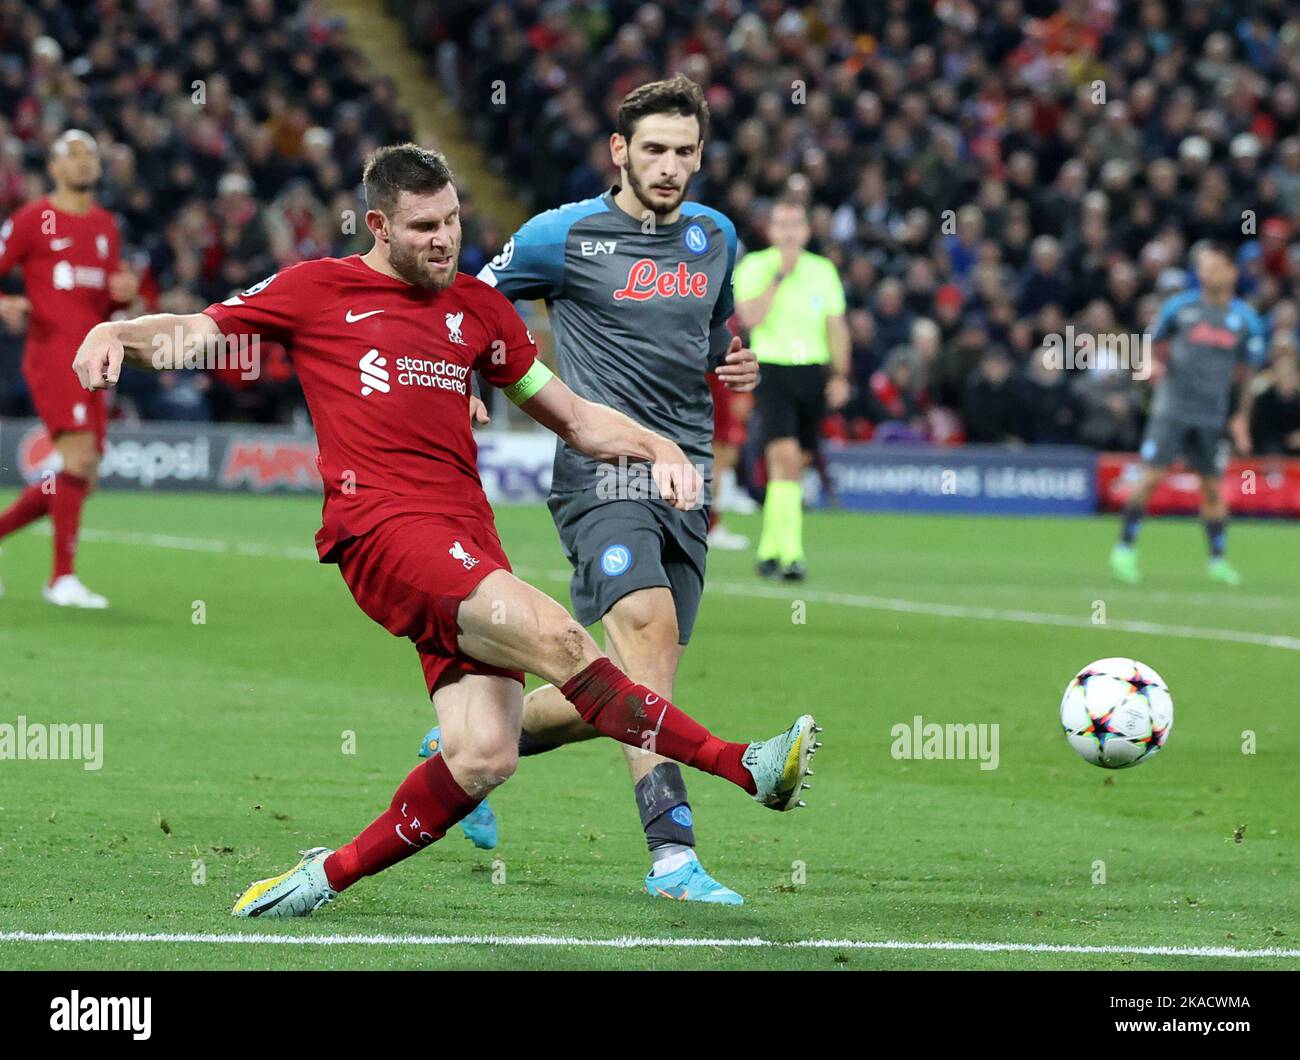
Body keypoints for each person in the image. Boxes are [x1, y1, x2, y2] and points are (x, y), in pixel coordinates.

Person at [70, 144, 818, 919]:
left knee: (484, 756)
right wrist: (117, 335)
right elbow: (197, 331)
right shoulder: (320, 290)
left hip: (466, 537)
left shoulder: (478, 311)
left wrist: (656, 443)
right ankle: (747, 768)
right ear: (378, 225)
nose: (445, 238)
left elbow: (572, 416)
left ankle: (324, 877)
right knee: (566, 642)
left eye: (454, 220)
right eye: (425, 225)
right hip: (384, 532)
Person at [421, 75, 762, 904]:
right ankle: (672, 855)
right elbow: (469, 301)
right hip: (600, 471)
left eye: (685, 151)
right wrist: (469, 377)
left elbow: (712, 329)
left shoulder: (715, 236)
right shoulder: (562, 236)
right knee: (644, 632)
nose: (671, 165)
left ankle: (460, 747)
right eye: (654, 149)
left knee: (634, 683)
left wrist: (733, 358)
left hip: (689, 477)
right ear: (620, 151)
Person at [0, 130, 138, 606]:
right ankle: (61, 578)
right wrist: (4, 303)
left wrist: (122, 295)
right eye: (71, 155)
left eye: (89, 155)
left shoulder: (106, 225)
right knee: (78, 460)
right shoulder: (32, 218)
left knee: (85, 473)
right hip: (53, 354)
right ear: (54, 168)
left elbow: (103, 300)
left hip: (95, 356)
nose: (82, 163)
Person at [1111, 242, 1266, 585]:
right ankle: (1124, 549)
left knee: (1212, 489)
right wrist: (1149, 362)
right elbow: (1149, 342)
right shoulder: (1179, 308)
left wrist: (1241, 417)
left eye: (1212, 266)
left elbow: (1250, 372)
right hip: (1173, 410)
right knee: (1150, 478)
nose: (1204, 273)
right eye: (1202, 267)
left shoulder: (1246, 320)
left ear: (1231, 272)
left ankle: (1218, 560)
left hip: (1211, 415)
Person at [734, 198, 850, 581]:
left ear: (806, 230)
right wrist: (779, 277)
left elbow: (835, 326)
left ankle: (769, 548)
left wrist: (839, 375)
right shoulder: (755, 266)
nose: (788, 232)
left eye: (795, 224)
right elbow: (750, 318)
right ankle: (793, 555)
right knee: (783, 458)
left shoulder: (822, 271)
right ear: (771, 230)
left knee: (795, 463)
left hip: (812, 373)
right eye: (781, 224)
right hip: (772, 369)